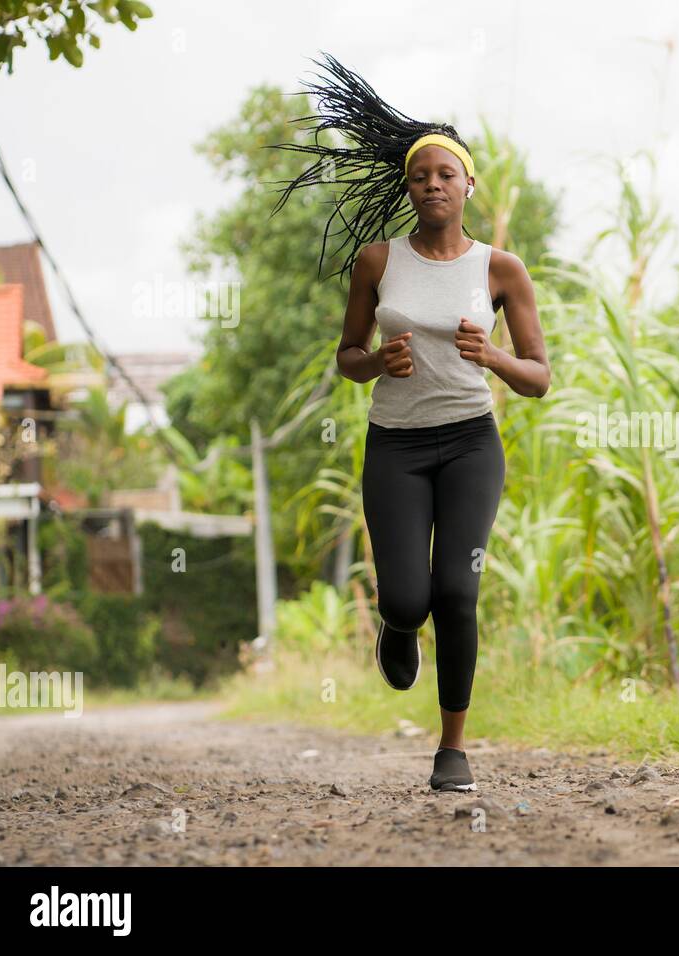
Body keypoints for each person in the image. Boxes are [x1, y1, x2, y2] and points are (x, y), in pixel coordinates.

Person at [270, 54, 550, 792]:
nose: (432, 184)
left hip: (469, 443)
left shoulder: (500, 269)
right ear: (409, 186)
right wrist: (375, 363)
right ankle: (397, 628)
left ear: (468, 186)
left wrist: (490, 354)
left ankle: (452, 747)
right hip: (394, 446)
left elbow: (540, 379)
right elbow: (345, 356)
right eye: (420, 175)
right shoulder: (376, 261)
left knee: (458, 593)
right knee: (406, 598)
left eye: (445, 175)